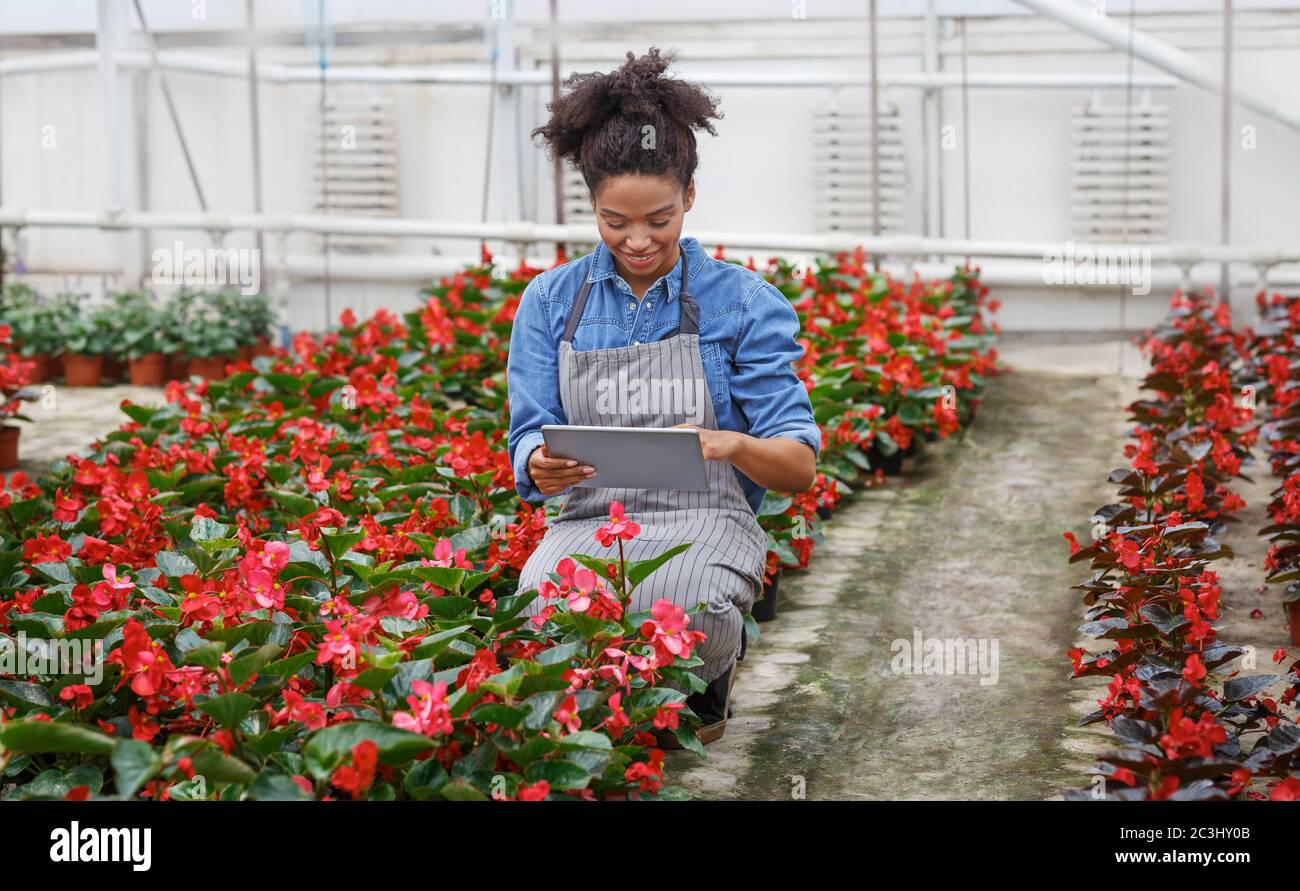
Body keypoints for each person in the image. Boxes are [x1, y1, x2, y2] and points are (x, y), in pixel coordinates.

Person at [506, 47, 820, 744]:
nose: (639, 240)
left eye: (660, 217)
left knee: (684, 602)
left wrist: (727, 443)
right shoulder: (550, 302)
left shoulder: (742, 304)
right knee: (539, 608)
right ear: (591, 202)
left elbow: (799, 465)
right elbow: (527, 432)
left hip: (707, 513)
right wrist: (536, 462)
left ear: (690, 197)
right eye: (616, 221)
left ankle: (705, 679)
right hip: (589, 520)